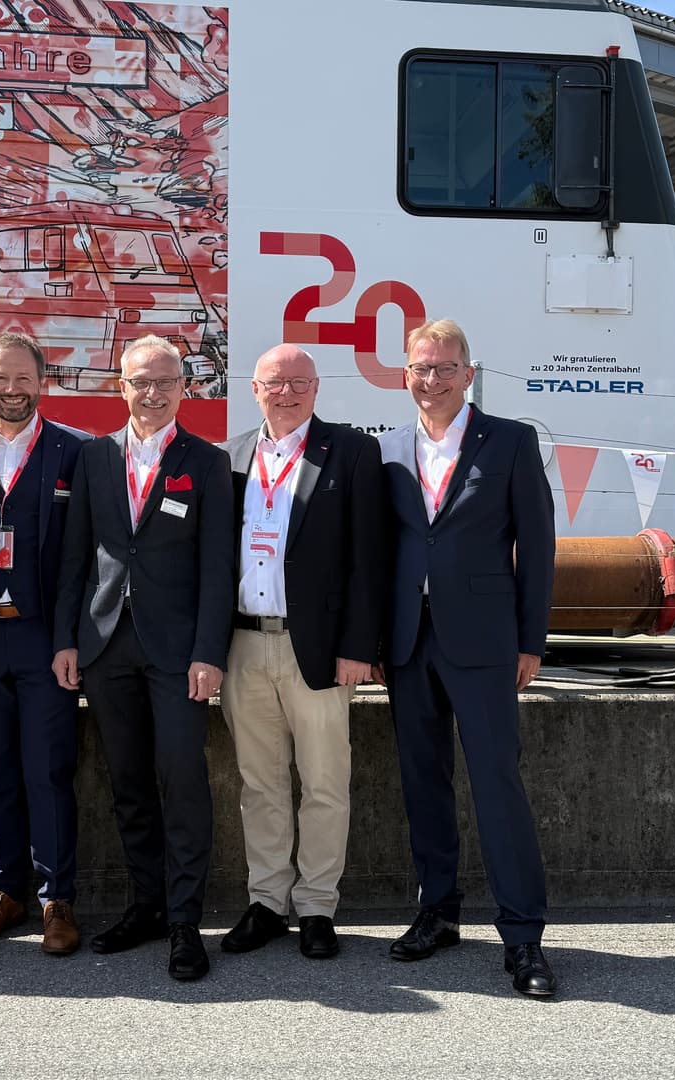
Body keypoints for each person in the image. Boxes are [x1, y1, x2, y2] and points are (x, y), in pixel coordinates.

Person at [377, 319, 559, 999]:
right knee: (423, 784)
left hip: (484, 642)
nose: (433, 380)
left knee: (496, 785)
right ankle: (438, 912)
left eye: (446, 368)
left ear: (469, 373)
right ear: (406, 375)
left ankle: (523, 936)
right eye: (422, 368)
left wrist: (531, 641)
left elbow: (537, 547)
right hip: (407, 643)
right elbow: (379, 552)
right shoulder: (389, 449)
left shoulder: (510, 441)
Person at [52, 335, 233, 981]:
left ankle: (186, 922)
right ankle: (147, 905)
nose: (151, 394)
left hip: (179, 652)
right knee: (127, 784)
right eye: (139, 382)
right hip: (105, 645)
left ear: (185, 388)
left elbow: (218, 569)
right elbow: (76, 556)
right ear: (120, 387)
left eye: (164, 382)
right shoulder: (93, 457)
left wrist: (209, 652)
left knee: (182, 782)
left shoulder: (206, 463)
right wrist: (66, 639)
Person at [217, 344, 385, 960]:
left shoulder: (351, 451)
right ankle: (266, 901)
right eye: (274, 383)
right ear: (254, 389)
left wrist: (358, 649)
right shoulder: (229, 458)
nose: (286, 393)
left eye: (298, 383)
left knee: (324, 783)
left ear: (316, 389)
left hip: (317, 648)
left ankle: (317, 905)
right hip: (243, 643)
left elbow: (369, 561)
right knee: (258, 783)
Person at [0, 333, 89, 955]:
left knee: (48, 769)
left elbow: (85, 559)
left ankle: (57, 898)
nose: (12, 389)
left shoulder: (74, 454)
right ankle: (5, 891)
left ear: (43, 380)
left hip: (44, 642)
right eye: (0, 378)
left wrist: (70, 638)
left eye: (23, 378)